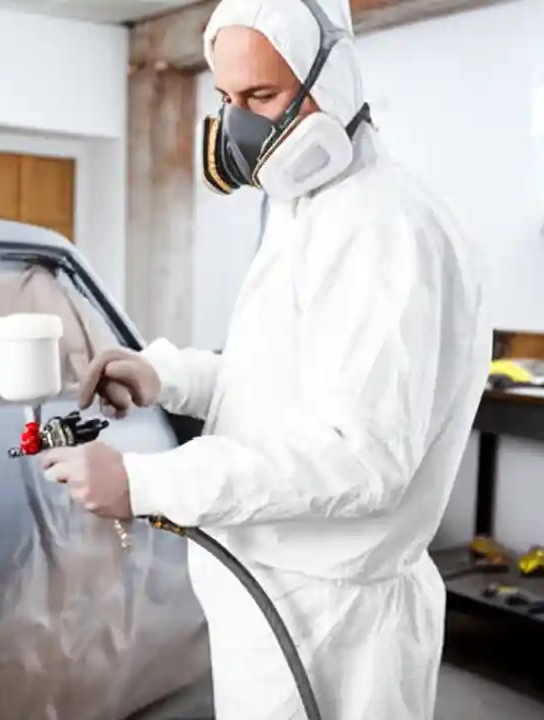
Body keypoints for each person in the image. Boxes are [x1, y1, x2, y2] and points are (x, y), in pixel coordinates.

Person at [41, 0, 490, 717]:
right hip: (280, 596)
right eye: (226, 98)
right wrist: (168, 376)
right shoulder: (308, 210)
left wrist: (144, 483)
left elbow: (359, 457)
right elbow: (284, 383)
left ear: (332, 84)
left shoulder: (380, 229)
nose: (240, 125)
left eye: (260, 97)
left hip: (333, 626)